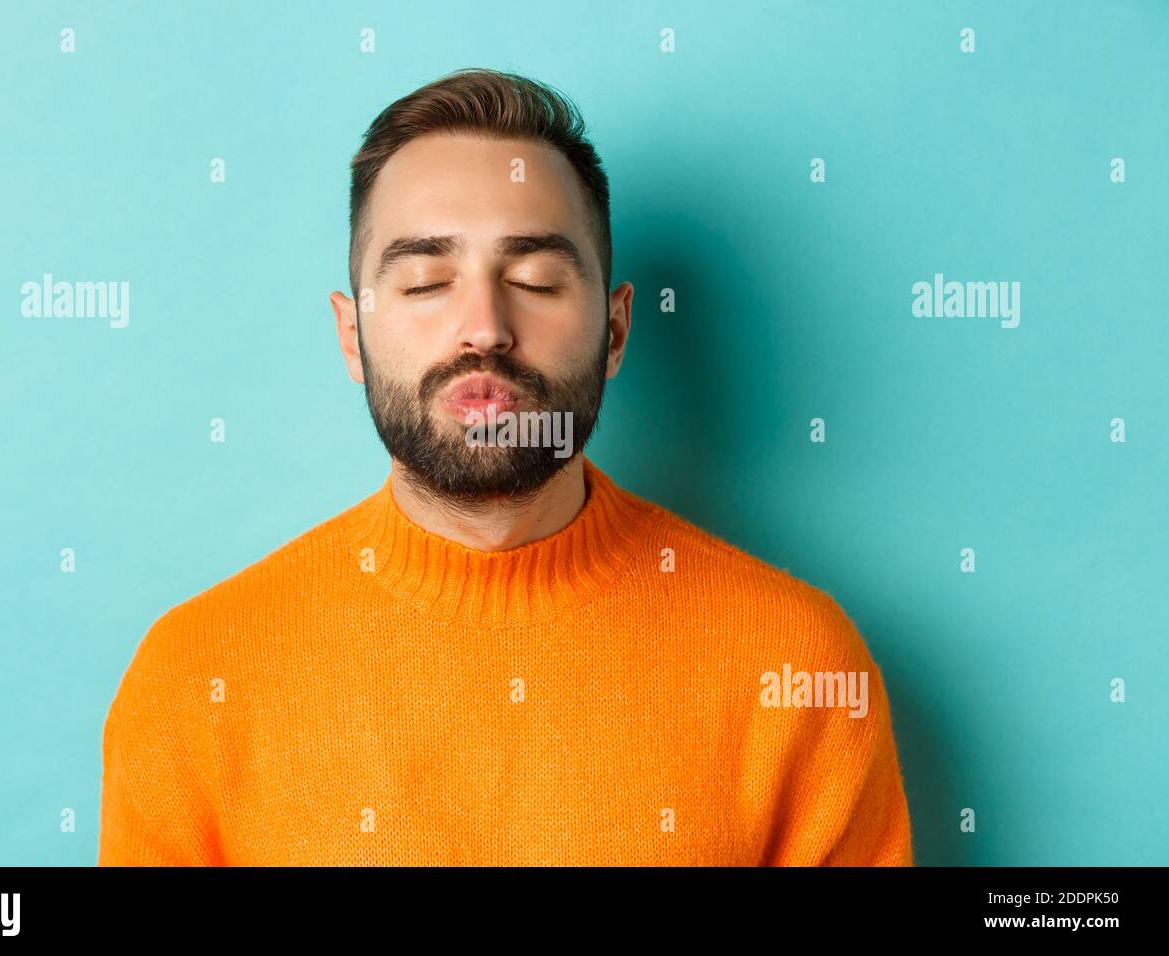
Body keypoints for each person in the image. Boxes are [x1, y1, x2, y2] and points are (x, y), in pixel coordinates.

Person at [98, 68, 913, 866]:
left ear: (618, 330)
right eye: (423, 283)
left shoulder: (797, 666)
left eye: (535, 279)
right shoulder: (194, 679)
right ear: (351, 335)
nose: (484, 327)